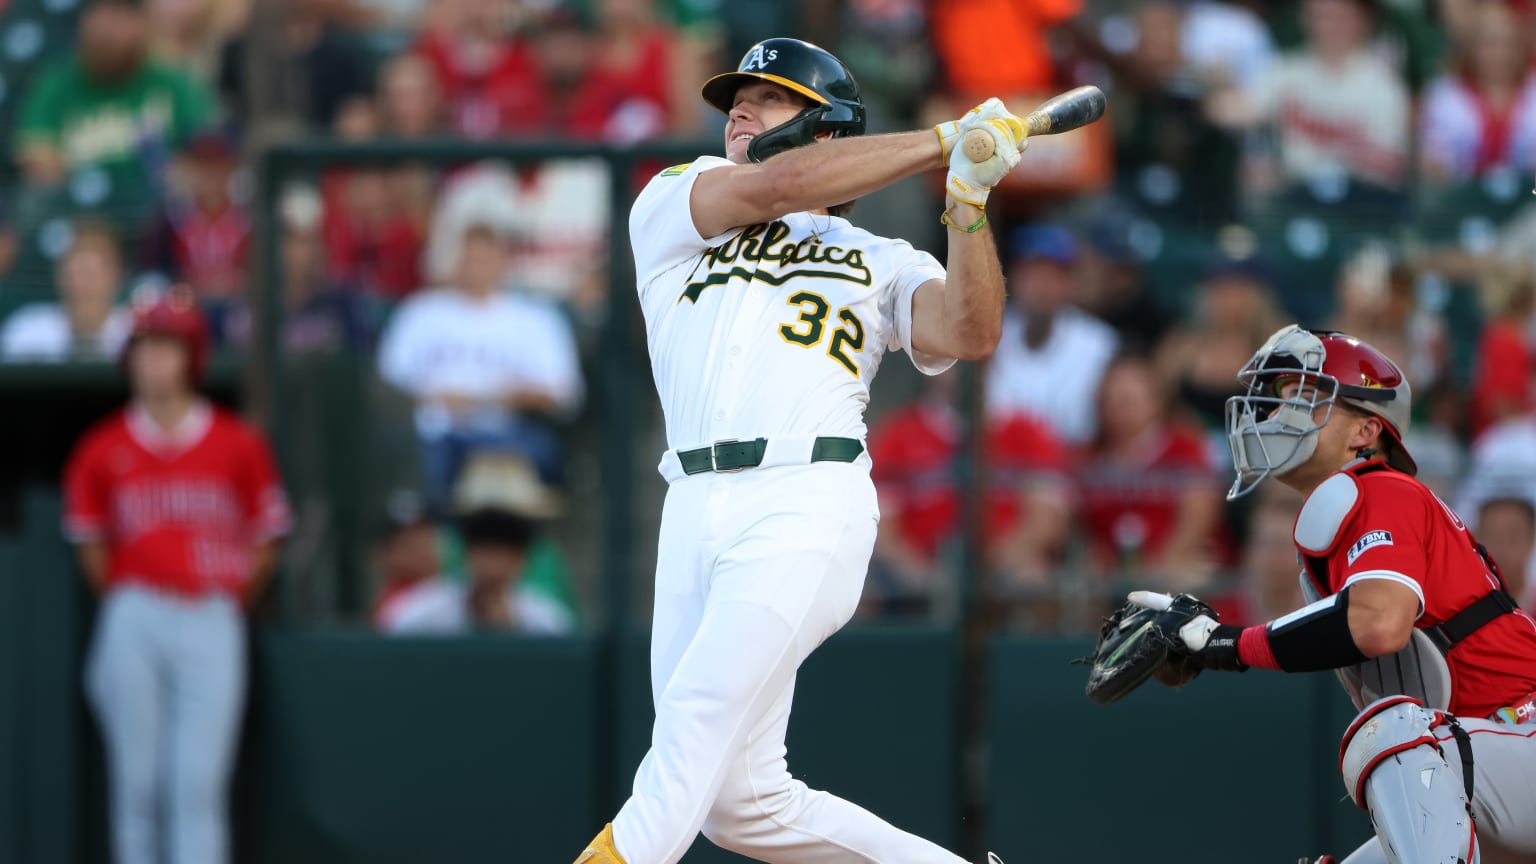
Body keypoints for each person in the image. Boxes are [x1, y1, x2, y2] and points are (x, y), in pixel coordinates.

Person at [573, 36, 1029, 864]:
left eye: (772, 97)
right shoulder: (676, 201)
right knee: (742, 804)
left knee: (691, 727)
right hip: (691, 501)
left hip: (804, 494)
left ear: (829, 131)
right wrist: (939, 140)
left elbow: (970, 329)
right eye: (737, 97)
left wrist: (965, 197)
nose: (741, 108)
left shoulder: (879, 258)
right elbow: (777, 185)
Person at [1124, 324, 1536, 863]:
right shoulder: (1348, 513)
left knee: (1392, 736)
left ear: (1365, 431)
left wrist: (1224, 642)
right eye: (1280, 400)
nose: (1276, 414)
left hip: (1519, 731)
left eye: (1304, 397)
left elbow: (1377, 624)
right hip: (1493, 757)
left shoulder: (1380, 488)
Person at [61, 292, 291, 864]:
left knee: (196, 786)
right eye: (143, 347)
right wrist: (130, 598)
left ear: (191, 356)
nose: (154, 361)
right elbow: (91, 548)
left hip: (210, 614)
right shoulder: (101, 447)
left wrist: (229, 598)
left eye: (166, 346)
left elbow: (266, 541)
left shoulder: (238, 442)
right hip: (136, 611)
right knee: (137, 787)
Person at [1, 223, 133, 362]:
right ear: (59, 276)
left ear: (116, 276)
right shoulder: (27, 330)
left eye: (91, 274)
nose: (81, 285)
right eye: (73, 274)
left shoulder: (133, 331)